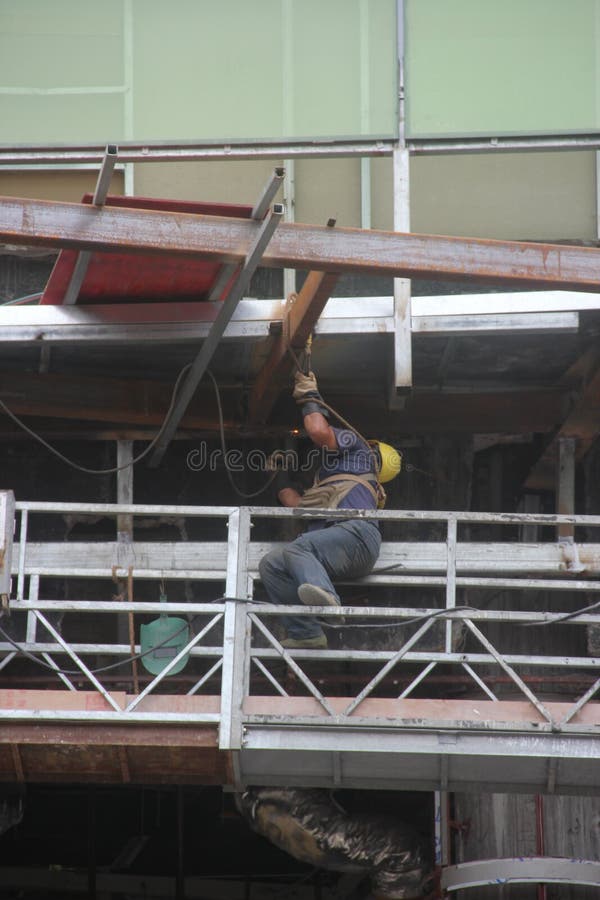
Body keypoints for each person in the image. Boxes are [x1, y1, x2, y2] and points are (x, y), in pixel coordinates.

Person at [259, 369, 402, 649]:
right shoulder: (332, 483)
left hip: (355, 536)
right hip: (335, 552)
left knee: (298, 548)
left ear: (374, 453)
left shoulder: (360, 451)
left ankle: (328, 600)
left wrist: (308, 394)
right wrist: (278, 475)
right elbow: (293, 503)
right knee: (272, 565)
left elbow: (317, 430)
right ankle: (307, 633)